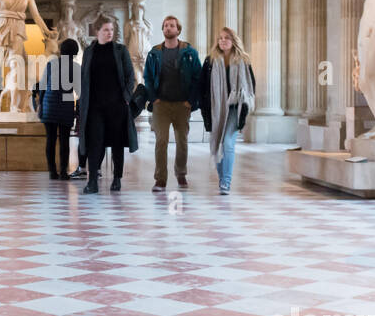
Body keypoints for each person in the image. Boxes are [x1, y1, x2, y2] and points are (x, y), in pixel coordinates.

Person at [78, 16, 139, 193]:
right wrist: (82, 102)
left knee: (117, 143)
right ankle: (92, 182)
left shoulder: (120, 50)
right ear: (97, 31)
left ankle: (117, 178)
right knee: (94, 143)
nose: (109, 33)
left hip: (117, 105)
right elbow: (84, 77)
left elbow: (130, 76)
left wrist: (126, 97)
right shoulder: (89, 51)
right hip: (95, 106)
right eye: (105, 30)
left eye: (111, 30)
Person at [143, 15, 201, 192]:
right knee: (161, 141)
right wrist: (154, 98)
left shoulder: (189, 52)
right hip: (161, 104)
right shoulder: (154, 53)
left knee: (182, 141)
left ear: (178, 30)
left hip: (182, 104)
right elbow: (147, 77)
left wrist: (190, 101)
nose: (168, 28)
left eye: (172, 26)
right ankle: (160, 179)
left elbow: (197, 77)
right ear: (163, 29)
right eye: (166, 25)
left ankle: (181, 173)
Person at [199, 28, 256, 194]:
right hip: (216, 109)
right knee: (217, 143)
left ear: (234, 41)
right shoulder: (210, 61)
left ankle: (226, 182)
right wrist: (204, 109)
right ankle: (222, 179)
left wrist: (245, 104)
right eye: (220, 38)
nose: (223, 41)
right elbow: (202, 86)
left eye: (227, 38)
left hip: (235, 108)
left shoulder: (243, 61)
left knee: (228, 143)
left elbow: (251, 85)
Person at [39, 38, 81, 180]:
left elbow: (43, 86)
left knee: (50, 140)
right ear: (75, 52)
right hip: (65, 107)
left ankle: (52, 171)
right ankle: (63, 171)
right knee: (64, 141)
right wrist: (78, 109)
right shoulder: (75, 67)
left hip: (49, 105)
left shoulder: (51, 64)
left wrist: (41, 106)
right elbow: (79, 91)